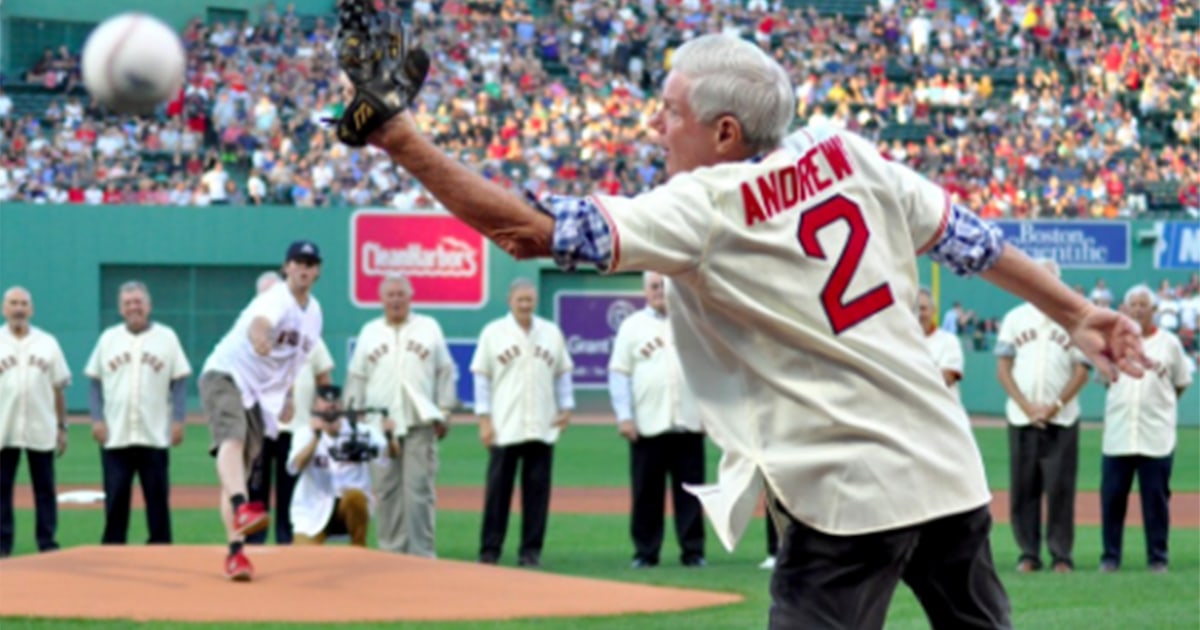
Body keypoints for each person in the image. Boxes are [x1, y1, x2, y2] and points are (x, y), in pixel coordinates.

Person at [337, 22, 1150, 627]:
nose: (656, 126)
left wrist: (400, 139)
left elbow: (529, 233)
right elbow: (968, 240)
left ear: (725, 132)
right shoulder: (851, 152)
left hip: (844, 496)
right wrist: (1076, 310)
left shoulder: (703, 204)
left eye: (670, 112)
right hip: (946, 470)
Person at [199, 240, 324, 580]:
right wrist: (259, 338)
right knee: (233, 437)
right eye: (298, 262)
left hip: (259, 394)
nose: (304, 268)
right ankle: (242, 508)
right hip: (226, 373)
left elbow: (298, 360)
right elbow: (260, 323)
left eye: (310, 263)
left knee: (236, 471)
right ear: (287, 267)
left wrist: (288, 395)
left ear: (318, 271)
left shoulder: (314, 314)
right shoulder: (275, 297)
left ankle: (236, 554)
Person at [345, 273, 457, 558]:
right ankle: (391, 553)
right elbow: (357, 377)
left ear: (410, 297)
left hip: (419, 422)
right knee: (386, 492)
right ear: (381, 299)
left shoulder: (428, 327)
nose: (395, 299)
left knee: (419, 491)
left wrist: (444, 411)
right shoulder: (370, 331)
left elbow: (445, 371)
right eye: (390, 295)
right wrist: (353, 418)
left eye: (400, 294)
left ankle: (422, 553)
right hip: (379, 426)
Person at [995, 258, 1091, 574]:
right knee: (1024, 489)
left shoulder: (1074, 320)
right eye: (1039, 278)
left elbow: (1081, 371)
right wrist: (1026, 406)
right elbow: (1003, 368)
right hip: (1022, 417)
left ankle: (1061, 555)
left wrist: (1053, 407)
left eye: (1051, 280)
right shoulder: (1015, 318)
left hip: (1061, 419)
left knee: (1060, 489)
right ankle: (1028, 553)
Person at [470, 278, 574, 568]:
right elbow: (481, 379)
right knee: (497, 494)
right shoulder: (494, 333)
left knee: (537, 495)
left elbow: (563, 373)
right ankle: (490, 549)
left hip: (542, 424)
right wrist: (484, 420)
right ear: (509, 301)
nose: (525, 305)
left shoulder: (550, 332)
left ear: (536, 301)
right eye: (520, 300)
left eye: (529, 300)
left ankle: (531, 551)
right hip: (505, 425)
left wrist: (567, 407)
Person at [607, 271, 705, 568]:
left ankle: (693, 551)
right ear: (644, 291)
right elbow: (619, 373)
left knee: (691, 494)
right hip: (649, 425)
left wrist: (711, 415)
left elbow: (709, 371)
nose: (659, 290)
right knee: (646, 494)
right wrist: (625, 417)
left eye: (664, 285)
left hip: (688, 422)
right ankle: (646, 553)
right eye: (654, 286)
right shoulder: (632, 326)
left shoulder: (692, 321)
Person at [84, 281, 191, 545]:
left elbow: (179, 381)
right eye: (128, 303)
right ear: (120, 308)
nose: (134, 307)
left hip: (153, 433)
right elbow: (95, 382)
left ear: (149, 306)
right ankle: (113, 549)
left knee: (157, 498)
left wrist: (178, 420)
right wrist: (96, 419)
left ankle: (161, 547)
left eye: (138, 302)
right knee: (116, 497)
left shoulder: (167, 337)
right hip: (116, 433)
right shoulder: (109, 338)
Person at [1098, 285, 1193, 573]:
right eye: (1133, 304)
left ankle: (1157, 557)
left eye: (1144, 304)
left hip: (1155, 434)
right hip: (1119, 432)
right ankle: (1111, 556)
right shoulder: (1112, 342)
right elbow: (1104, 379)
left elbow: (1180, 382)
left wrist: (1161, 407)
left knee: (1156, 500)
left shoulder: (1169, 343)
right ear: (1125, 309)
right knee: (1113, 498)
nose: (1138, 309)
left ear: (1154, 310)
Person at [246, 270, 334, 546]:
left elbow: (324, 379)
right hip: (259, 426)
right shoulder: (248, 338)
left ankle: (288, 545)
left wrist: (322, 414)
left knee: (291, 493)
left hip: (296, 430)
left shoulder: (309, 336)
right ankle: (255, 545)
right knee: (256, 491)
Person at [0, 287, 69, 557]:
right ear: (4, 308)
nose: (18, 308)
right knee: (2, 490)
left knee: (44, 489)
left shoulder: (47, 342)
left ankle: (47, 542)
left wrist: (63, 427)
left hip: (41, 426)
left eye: (24, 304)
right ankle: (2, 544)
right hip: (3, 428)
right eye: (13, 303)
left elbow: (58, 388)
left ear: (32, 309)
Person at [288, 384, 399, 546]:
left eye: (335, 404)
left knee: (356, 498)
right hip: (313, 510)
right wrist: (316, 438)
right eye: (325, 403)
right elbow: (296, 466)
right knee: (303, 555)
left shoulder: (360, 431)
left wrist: (390, 436)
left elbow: (391, 454)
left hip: (348, 507)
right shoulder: (304, 433)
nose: (330, 409)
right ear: (316, 407)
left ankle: (358, 547)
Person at [918, 287, 966, 408]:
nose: (918, 313)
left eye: (923, 308)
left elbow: (947, 378)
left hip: (942, 416)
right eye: (913, 309)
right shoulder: (900, 340)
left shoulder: (948, 340)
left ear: (934, 311)